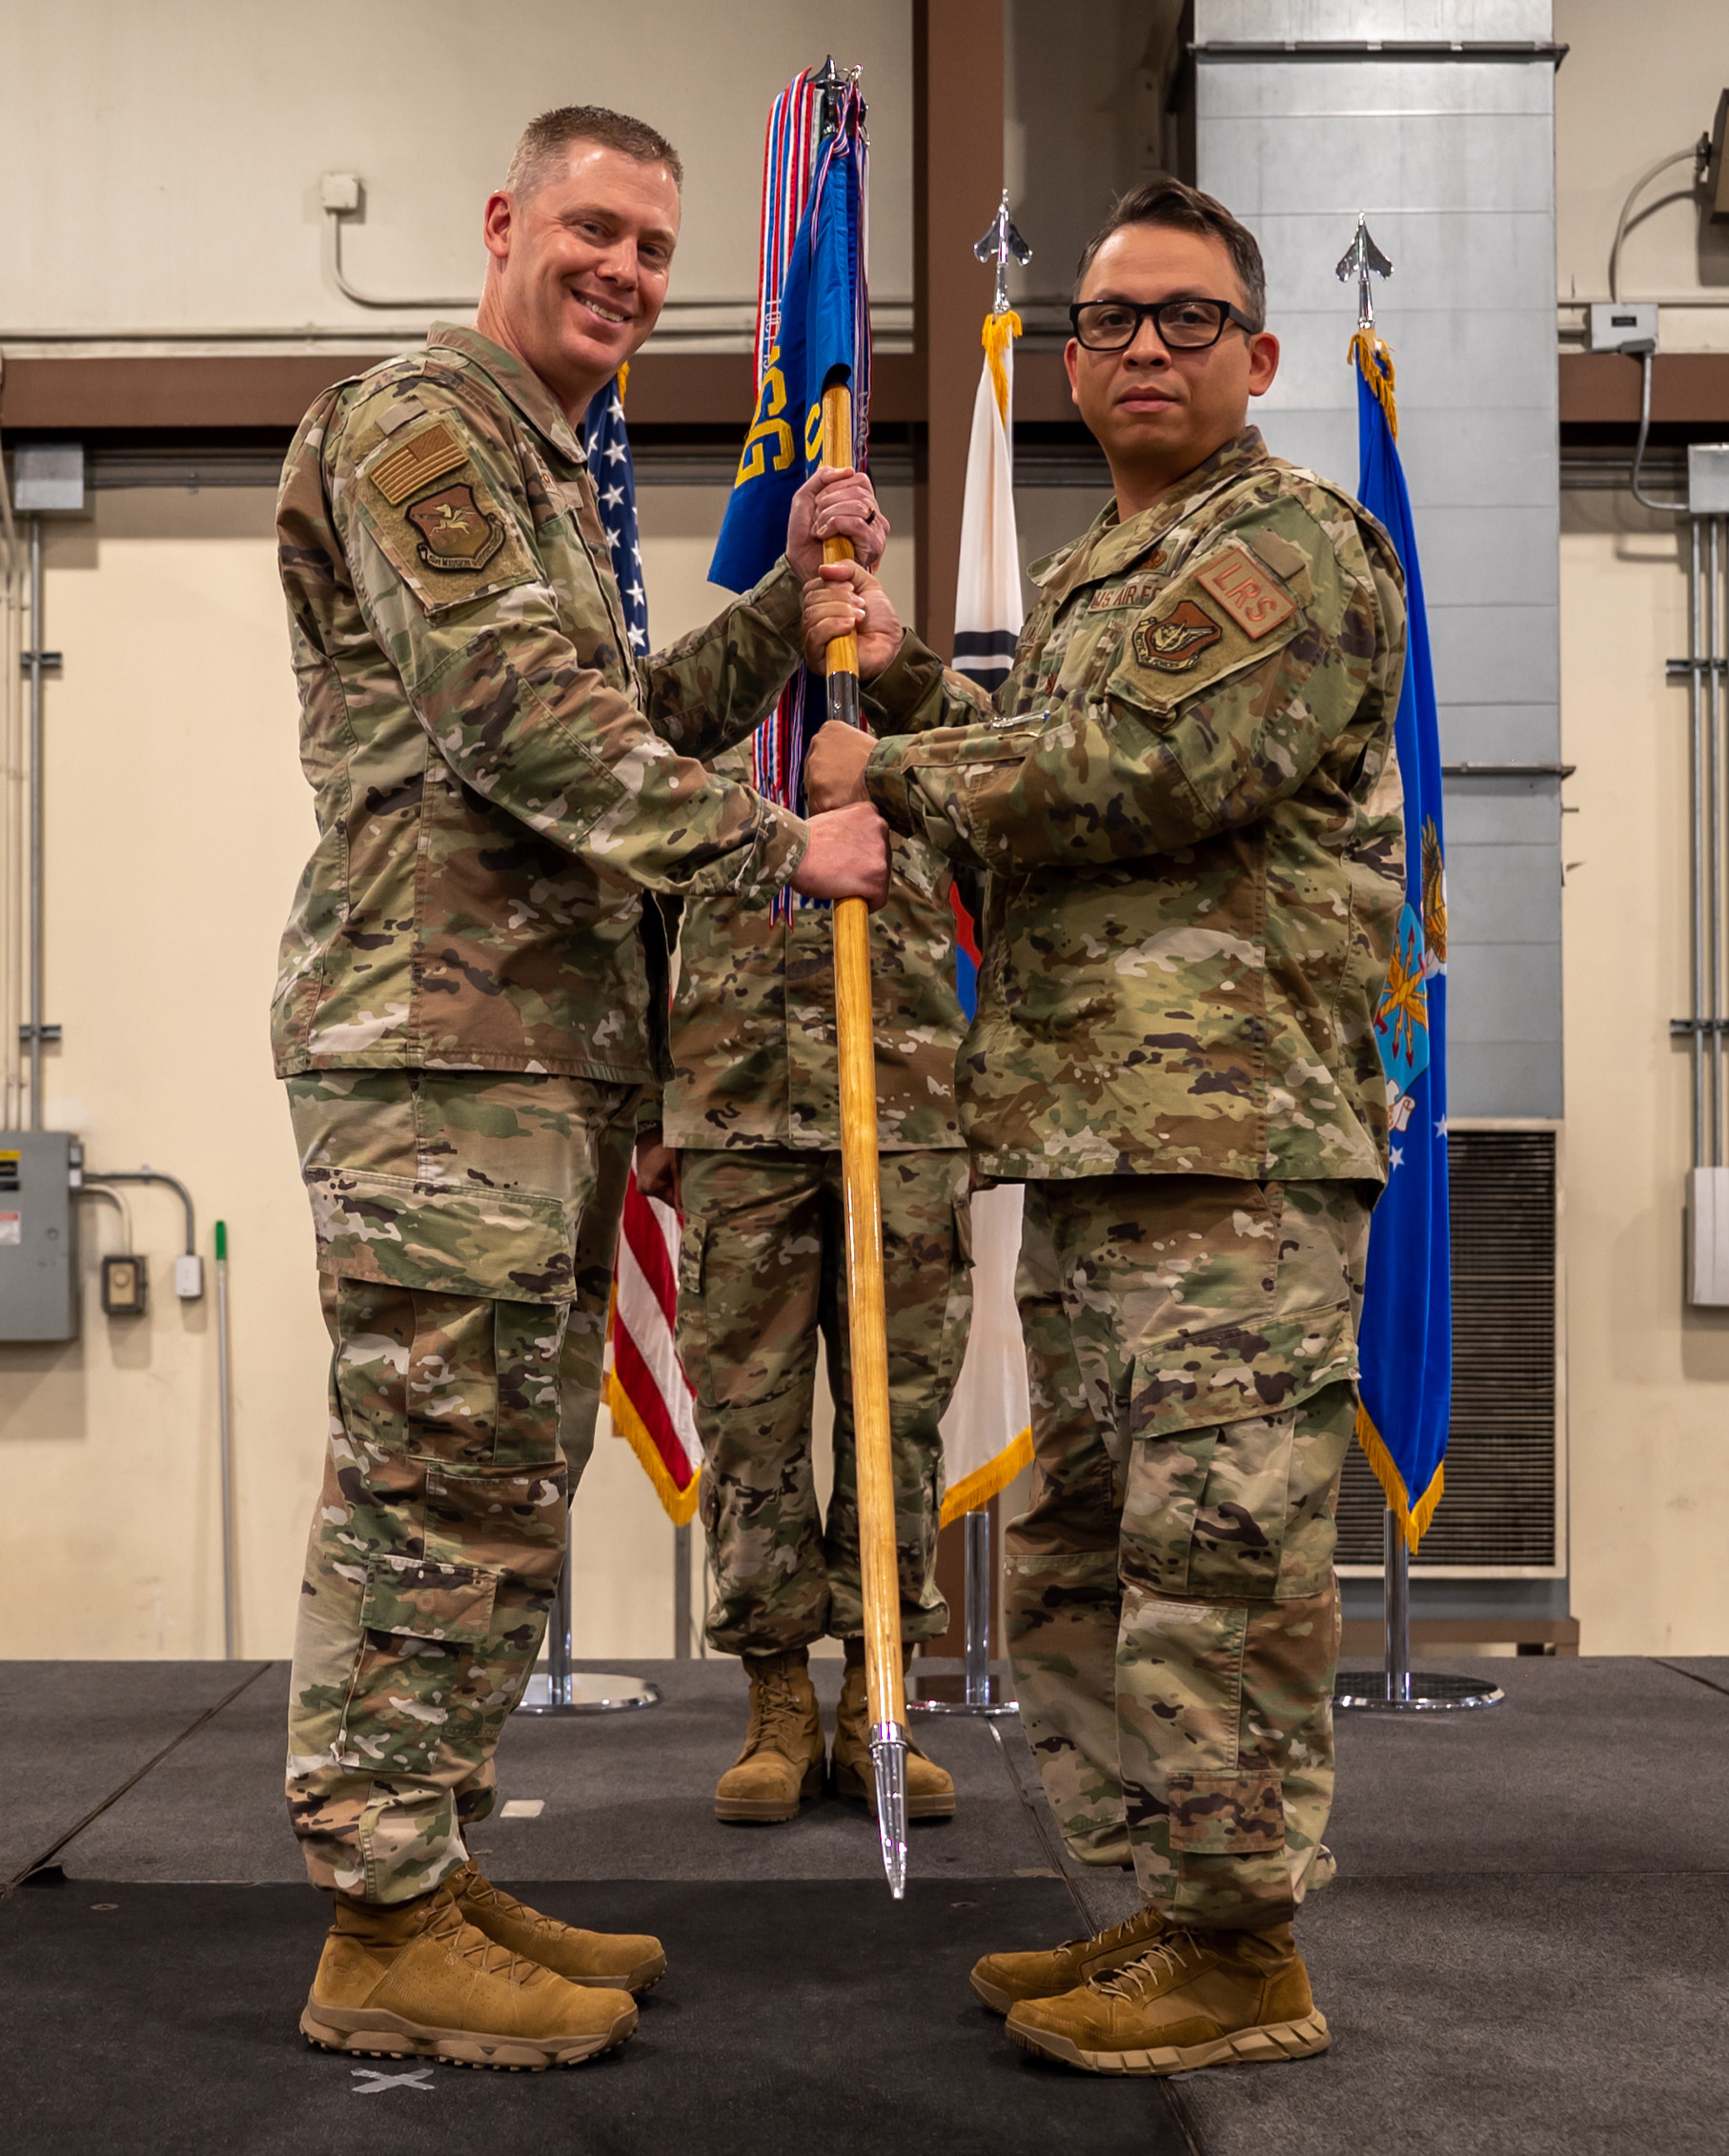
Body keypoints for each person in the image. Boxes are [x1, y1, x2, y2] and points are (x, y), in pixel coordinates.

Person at [273, 103, 891, 2072]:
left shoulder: (546, 466)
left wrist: (785, 618)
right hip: (436, 1048)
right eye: (593, 228)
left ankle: (434, 1869)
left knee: (500, 1479)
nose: (621, 271)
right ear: (503, 222)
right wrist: (782, 846)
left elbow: (616, 719)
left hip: (532, 1055)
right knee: (429, 1477)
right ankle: (378, 1920)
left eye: (651, 247)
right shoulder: (420, 426)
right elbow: (520, 728)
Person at [801, 176, 1407, 2076]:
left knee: (1215, 1575)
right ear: (1068, 363)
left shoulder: (1283, 543)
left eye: (1185, 318)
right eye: (1110, 321)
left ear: (1259, 354)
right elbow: (1051, 764)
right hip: (1089, 1145)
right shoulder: (1092, 577)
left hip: (1233, 1160)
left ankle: (1243, 1953)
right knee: (1084, 1568)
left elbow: (1146, 769)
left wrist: (891, 763)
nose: (1143, 346)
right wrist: (902, 666)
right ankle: (1168, 1904)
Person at [635, 742, 970, 1826]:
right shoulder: (703, 731)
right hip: (735, 1108)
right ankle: (777, 1701)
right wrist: (650, 1109)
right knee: (748, 1422)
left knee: (897, 1418)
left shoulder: (930, 732)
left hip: (906, 1109)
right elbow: (632, 916)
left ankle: (879, 1695)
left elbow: (1013, 888)